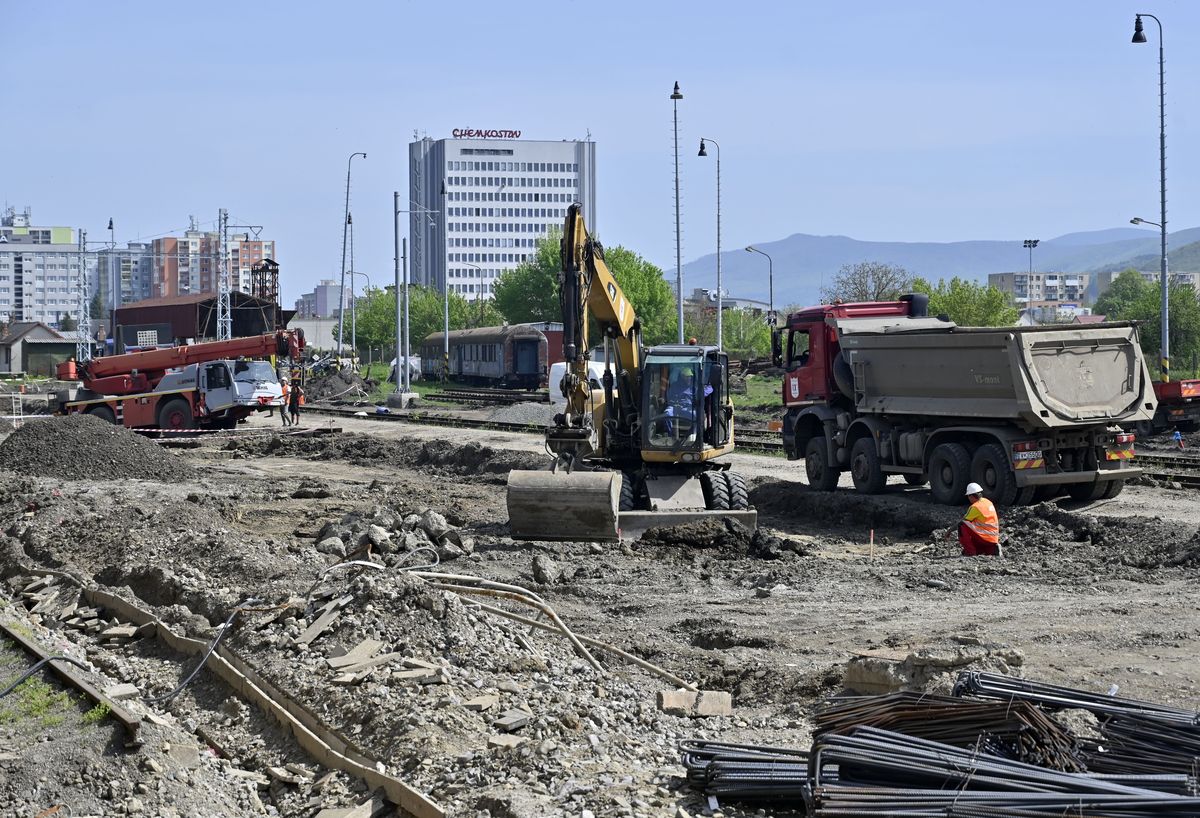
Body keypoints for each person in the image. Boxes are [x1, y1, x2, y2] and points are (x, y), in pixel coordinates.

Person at [663, 367, 712, 437]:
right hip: (674, 407)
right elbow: (669, 396)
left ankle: (692, 435)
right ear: (682, 376)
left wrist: (703, 393)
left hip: (686, 408)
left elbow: (709, 389)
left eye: (690, 376)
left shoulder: (694, 386)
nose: (688, 378)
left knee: (697, 416)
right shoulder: (674, 386)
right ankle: (670, 435)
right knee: (667, 414)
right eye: (686, 376)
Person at [958, 482, 1000, 557]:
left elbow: (963, 521)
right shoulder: (988, 502)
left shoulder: (976, 507)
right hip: (993, 538)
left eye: (968, 496)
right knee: (980, 550)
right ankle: (992, 549)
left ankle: (970, 553)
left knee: (961, 525)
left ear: (971, 496)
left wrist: (949, 531)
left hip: (984, 537)